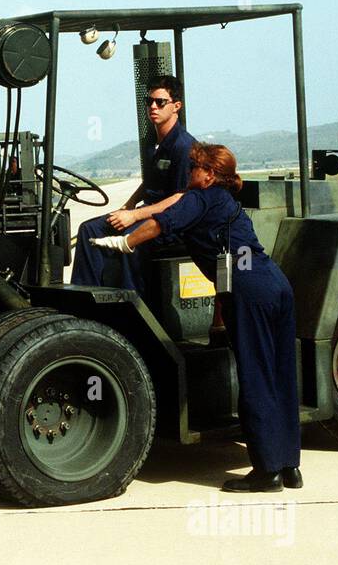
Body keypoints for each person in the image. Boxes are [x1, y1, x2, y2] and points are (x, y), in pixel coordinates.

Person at [91, 142, 302, 492]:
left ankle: (267, 472)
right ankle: (288, 465)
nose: (190, 173)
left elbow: (160, 224)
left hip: (249, 290)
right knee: (280, 373)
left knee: (255, 375)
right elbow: (181, 209)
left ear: (209, 174)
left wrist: (124, 244)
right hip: (275, 283)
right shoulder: (223, 200)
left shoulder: (199, 199)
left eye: (194, 169)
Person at [71, 74, 192, 291]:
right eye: (149, 102)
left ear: (176, 106)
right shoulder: (155, 145)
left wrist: (134, 215)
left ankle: (132, 307)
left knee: (130, 239)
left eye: (160, 102)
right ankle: (87, 299)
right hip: (147, 213)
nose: (153, 107)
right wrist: (127, 207)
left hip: (168, 222)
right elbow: (150, 183)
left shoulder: (183, 146)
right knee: (89, 230)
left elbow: (179, 198)